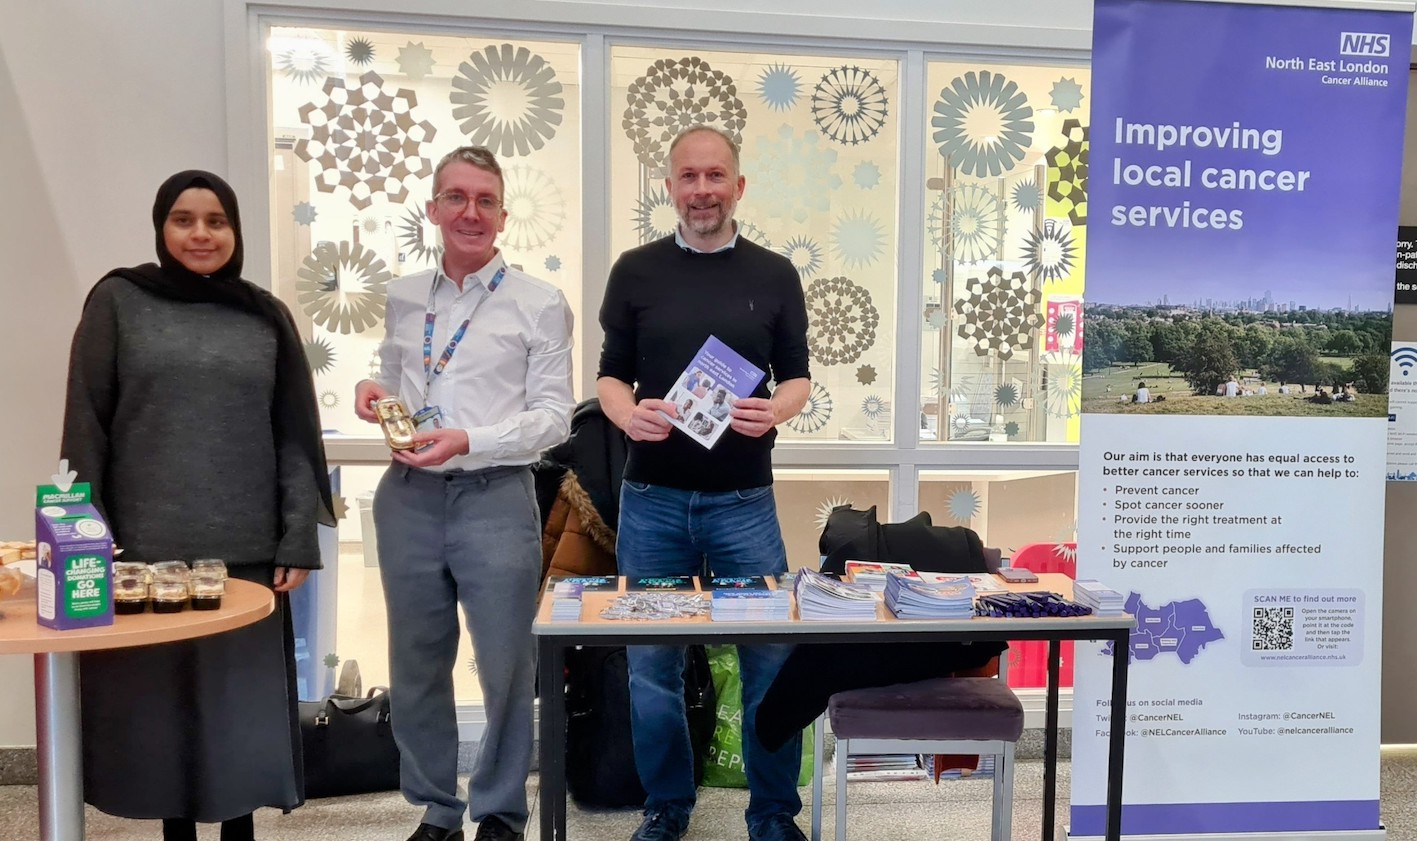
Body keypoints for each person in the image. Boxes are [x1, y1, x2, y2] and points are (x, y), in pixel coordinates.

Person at [61, 170, 334, 841]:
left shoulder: (263, 315)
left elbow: (295, 433)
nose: (201, 233)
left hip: (244, 554)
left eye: (216, 220)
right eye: (184, 219)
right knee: (160, 715)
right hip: (144, 554)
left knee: (234, 712)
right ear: (161, 226)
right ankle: (175, 833)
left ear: (235, 230)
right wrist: (81, 537)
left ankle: (238, 832)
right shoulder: (119, 301)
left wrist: (298, 533)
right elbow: (86, 424)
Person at [353, 145, 574, 841]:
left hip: (496, 495)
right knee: (416, 662)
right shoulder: (403, 294)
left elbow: (552, 417)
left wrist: (467, 439)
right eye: (456, 197)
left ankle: (502, 810)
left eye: (484, 200)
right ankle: (436, 808)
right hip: (407, 497)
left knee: (507, 662)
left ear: (503, 215)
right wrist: (373, 392)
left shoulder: (539, 303)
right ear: (434, 209)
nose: (470, 212)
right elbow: (394, 376)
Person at [597, 125, 811, 841]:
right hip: (651, 500)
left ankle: (774, 813)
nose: (701, 190)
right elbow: (609, 372)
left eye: (714, 176)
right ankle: (666, 805)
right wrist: (627, 413)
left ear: (738, 186)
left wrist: (774, 407)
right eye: (687, 177)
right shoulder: (633, 270)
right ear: (669, 187)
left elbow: (798, 376)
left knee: (770, 664)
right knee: (650, 668)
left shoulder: (775, 274)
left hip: (745, 501)